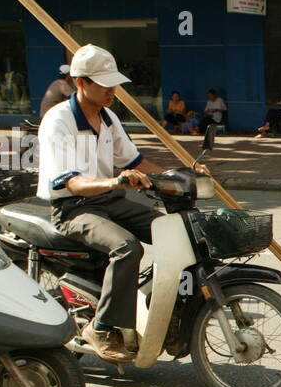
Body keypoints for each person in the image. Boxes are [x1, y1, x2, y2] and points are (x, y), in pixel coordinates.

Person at [37, 45, 178, 363]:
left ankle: (162, 309)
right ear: (81, 83)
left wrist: (178, 178)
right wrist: (116, 181)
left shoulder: (108, 117)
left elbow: (135, 161)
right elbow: (71, 183)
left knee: (173, 230)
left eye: (113, 83)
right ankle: (102, 327)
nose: (112, 90)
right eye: (104, 84)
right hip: (73, 209)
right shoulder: (58, 121)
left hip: (110, 201)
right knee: (127, 246)